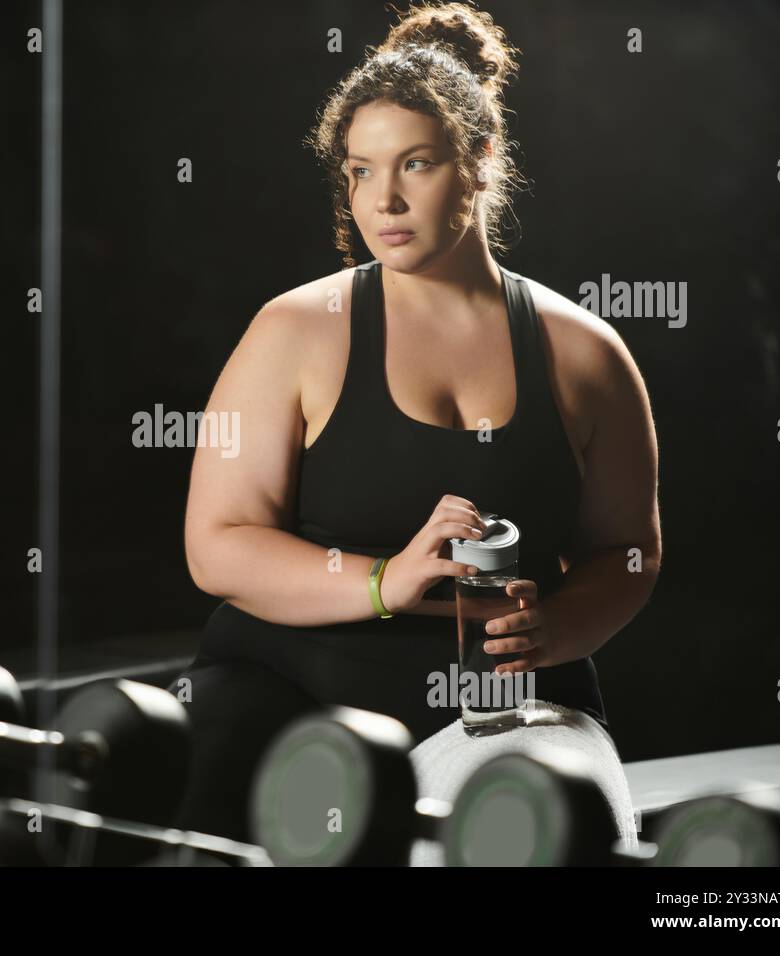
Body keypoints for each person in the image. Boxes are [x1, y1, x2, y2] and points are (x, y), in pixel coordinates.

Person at [171, 1, 661, 844]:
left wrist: (556, 628)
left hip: (501, 707)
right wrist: (382, 581)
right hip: (286, 686)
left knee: (553, 824)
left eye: (416, 165)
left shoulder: (585, 352)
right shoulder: (295, 330)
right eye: (360, 170)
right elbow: (217, 543)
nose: (382, 198)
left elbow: (629, 551)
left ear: (480, 159)